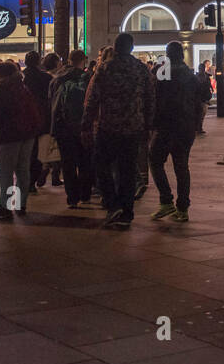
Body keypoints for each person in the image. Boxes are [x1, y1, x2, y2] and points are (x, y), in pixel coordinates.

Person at [83, 32, 156, 229]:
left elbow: (92, 99)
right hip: (133, 127)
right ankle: (126, 212)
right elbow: (150, 99)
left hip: (110, 126)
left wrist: (86, 123)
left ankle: (113, 202)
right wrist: (148, 125)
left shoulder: (106, 68)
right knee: (127, 170)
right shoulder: (141, 69)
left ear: (115, 47)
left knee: (101, 163)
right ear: (131, 48)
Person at [148, 41, 198, 221]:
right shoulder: (189, 74)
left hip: (166, 125)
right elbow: (203, 96)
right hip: (185, 126)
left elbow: (155, 97)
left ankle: (166, 200)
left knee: (154, 160)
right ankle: (183, 208)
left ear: (168, 54)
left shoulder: (163, 72)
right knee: (181, 166)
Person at [0, 60, 39, 220]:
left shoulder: (2, 90)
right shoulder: (23, 88)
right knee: (23, 170)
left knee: (6, 171)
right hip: (27, 134)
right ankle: (20, 204)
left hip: (10, 135)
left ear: (1, 74)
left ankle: (5, 206)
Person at [50, 50, 94, 209]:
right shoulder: (88, 78)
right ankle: (85, 194)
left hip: (64, 127)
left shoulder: (58, 79)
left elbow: (52, 102)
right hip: (84, 126)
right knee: (85, 161)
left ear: (69, 60)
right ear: (84, 60)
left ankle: (72, 198)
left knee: (68, 163)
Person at [22, 50, 53, 190]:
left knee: (27, 150)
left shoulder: (21, 77)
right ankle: (34, 177)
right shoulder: (45, 78)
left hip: (25, 117)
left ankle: (27, 179)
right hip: (41, 116)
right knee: (40, 150)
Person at [194, 60, 213, 134]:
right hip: (199, 98)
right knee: (200, 113)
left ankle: (199, 127)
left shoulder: (204, 76)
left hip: (203, 98)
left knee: (202, 113)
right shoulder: (198, 77)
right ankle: (198, 127)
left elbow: (207, 85)